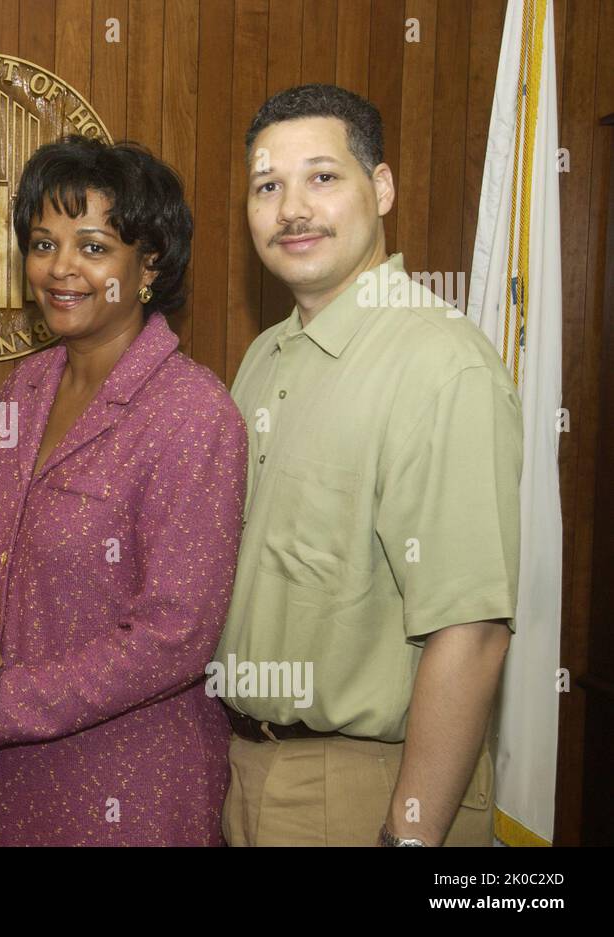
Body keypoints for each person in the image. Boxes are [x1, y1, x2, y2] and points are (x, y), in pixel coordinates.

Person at [217, 84, 522, 846]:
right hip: (251, 774)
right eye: (267, 186)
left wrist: (407, 836)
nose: (292, 209)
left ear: (380, 188)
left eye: (322, 177)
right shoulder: (262, 356)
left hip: (371, 789)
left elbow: (473, 630)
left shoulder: (441, 365)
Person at [0, 136, 247, 845]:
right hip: (2, 780)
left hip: (129, 784)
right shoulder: (25, 387)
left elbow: (175, 635)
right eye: (44, 243)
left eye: (92, 245)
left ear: (149, 265)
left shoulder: (192, 411)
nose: (61, 268)